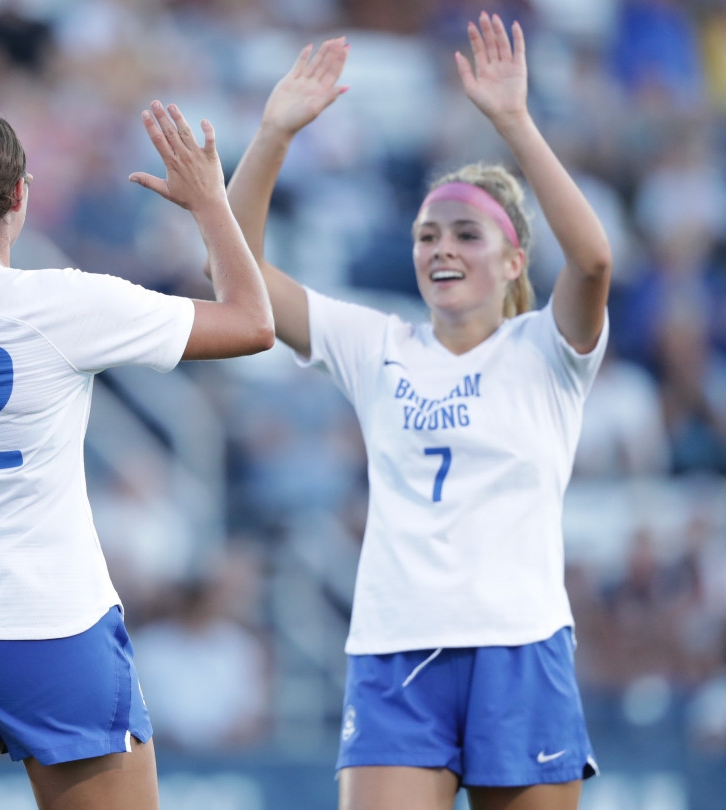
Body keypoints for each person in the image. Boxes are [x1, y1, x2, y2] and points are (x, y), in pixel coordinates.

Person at [0, 95, 272, 810]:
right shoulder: (66, 304)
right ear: (19, 195)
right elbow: (253, 323)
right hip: (49, 626)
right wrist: (208, 204)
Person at [226, 16, 612, 810]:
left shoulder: (547, 350)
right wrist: (273, 135)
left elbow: (595, 258)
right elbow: (236, 275)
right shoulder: (379, 345)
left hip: (518, 646)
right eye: (427, 235)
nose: (441, 249)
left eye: (467, 235)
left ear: (514, 260)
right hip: (397, 650)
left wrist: (514, 122)